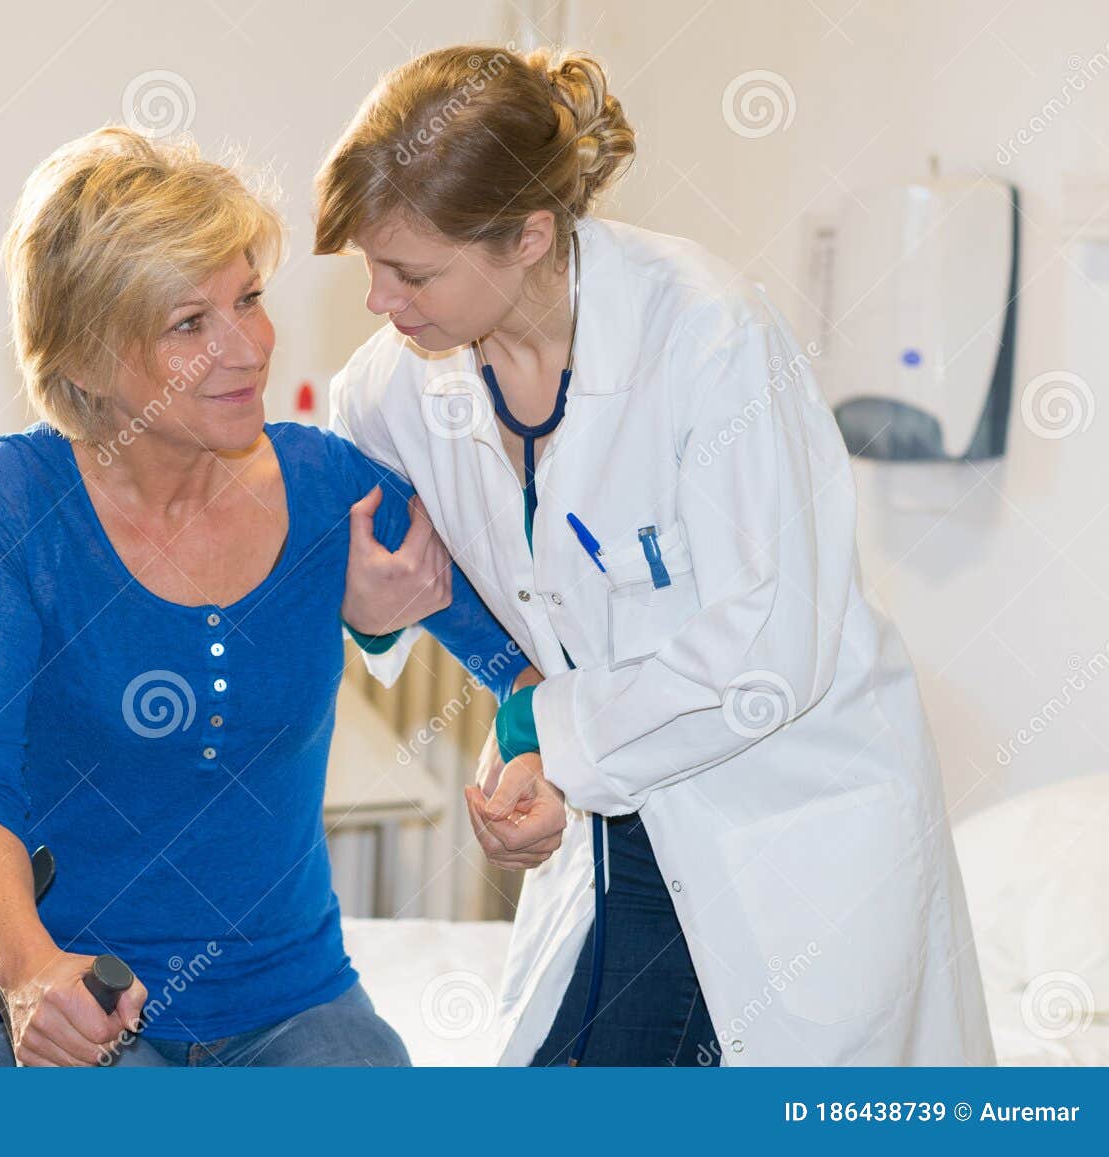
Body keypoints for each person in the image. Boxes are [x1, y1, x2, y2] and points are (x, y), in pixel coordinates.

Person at [316, 43, 996, 1066]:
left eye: (409, 271)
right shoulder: (393, 387)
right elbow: (404, 576)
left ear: (530, 236)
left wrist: (542, 730)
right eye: (369, 266)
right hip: (607, 830)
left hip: (781, 824)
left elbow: (765, 651)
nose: (378, 300)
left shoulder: (705, 339)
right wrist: (401, 626)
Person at [0, 126, 534, 1067]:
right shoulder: (9, 506)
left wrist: (525, 745)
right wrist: (28, 971)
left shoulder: (333, 489)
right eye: (189, 324)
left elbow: (525, 659)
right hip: (66, 1007)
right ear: (85, 357)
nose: (246, 349)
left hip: (293, 1003)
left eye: (248, 299)